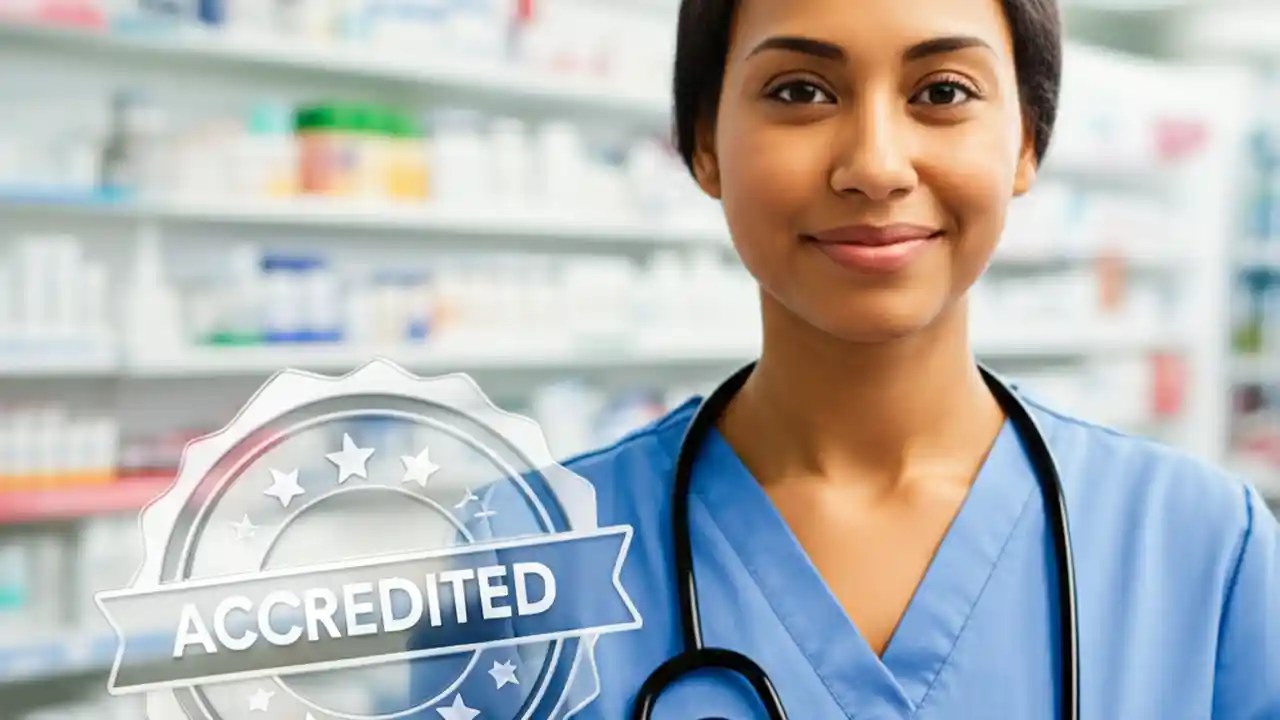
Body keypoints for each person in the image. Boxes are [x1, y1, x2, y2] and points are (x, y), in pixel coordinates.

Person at [554, 0, 1280, 717]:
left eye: (943, 92)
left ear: (1027, 140)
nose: (875, 166)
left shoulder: (1209, 549)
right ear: (704, 142)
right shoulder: (527, 558)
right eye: (800, 91)